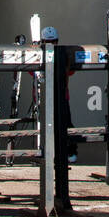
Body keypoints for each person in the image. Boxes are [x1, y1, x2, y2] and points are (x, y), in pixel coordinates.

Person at [41, 27, 79, 163]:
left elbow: (70, 72)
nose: (52, 44)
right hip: (45, 98)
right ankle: (50, 152)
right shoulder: (39, 55)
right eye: (48, 42)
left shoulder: (63, 54)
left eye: (54, 41)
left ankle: (70, 151)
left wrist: (67, 63)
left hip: (62, 96)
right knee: (48, 126)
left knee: (66, 124)